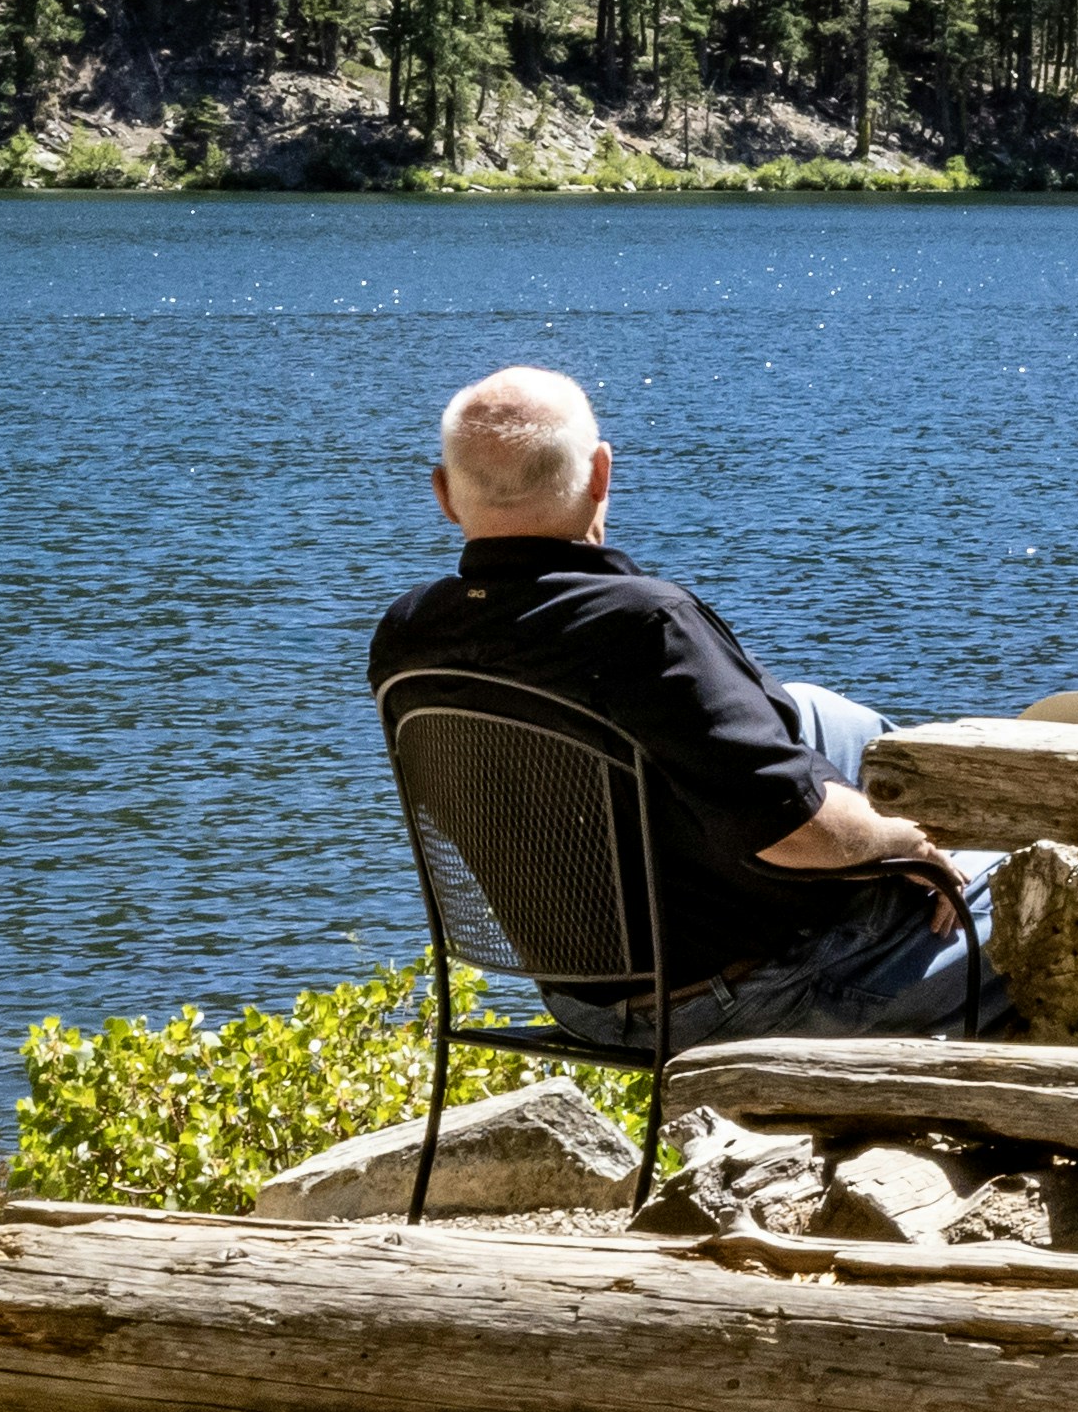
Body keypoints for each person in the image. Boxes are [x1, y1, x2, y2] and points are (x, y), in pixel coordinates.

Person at [360, 364, 990, 1045]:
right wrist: (909, 841)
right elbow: (794, 834)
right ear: (601, 475)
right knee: (1035, 879)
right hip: (738, 999)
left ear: (445, 495)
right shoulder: (644, 629)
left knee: (810, 710)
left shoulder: (408, 633)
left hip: (579, 996)